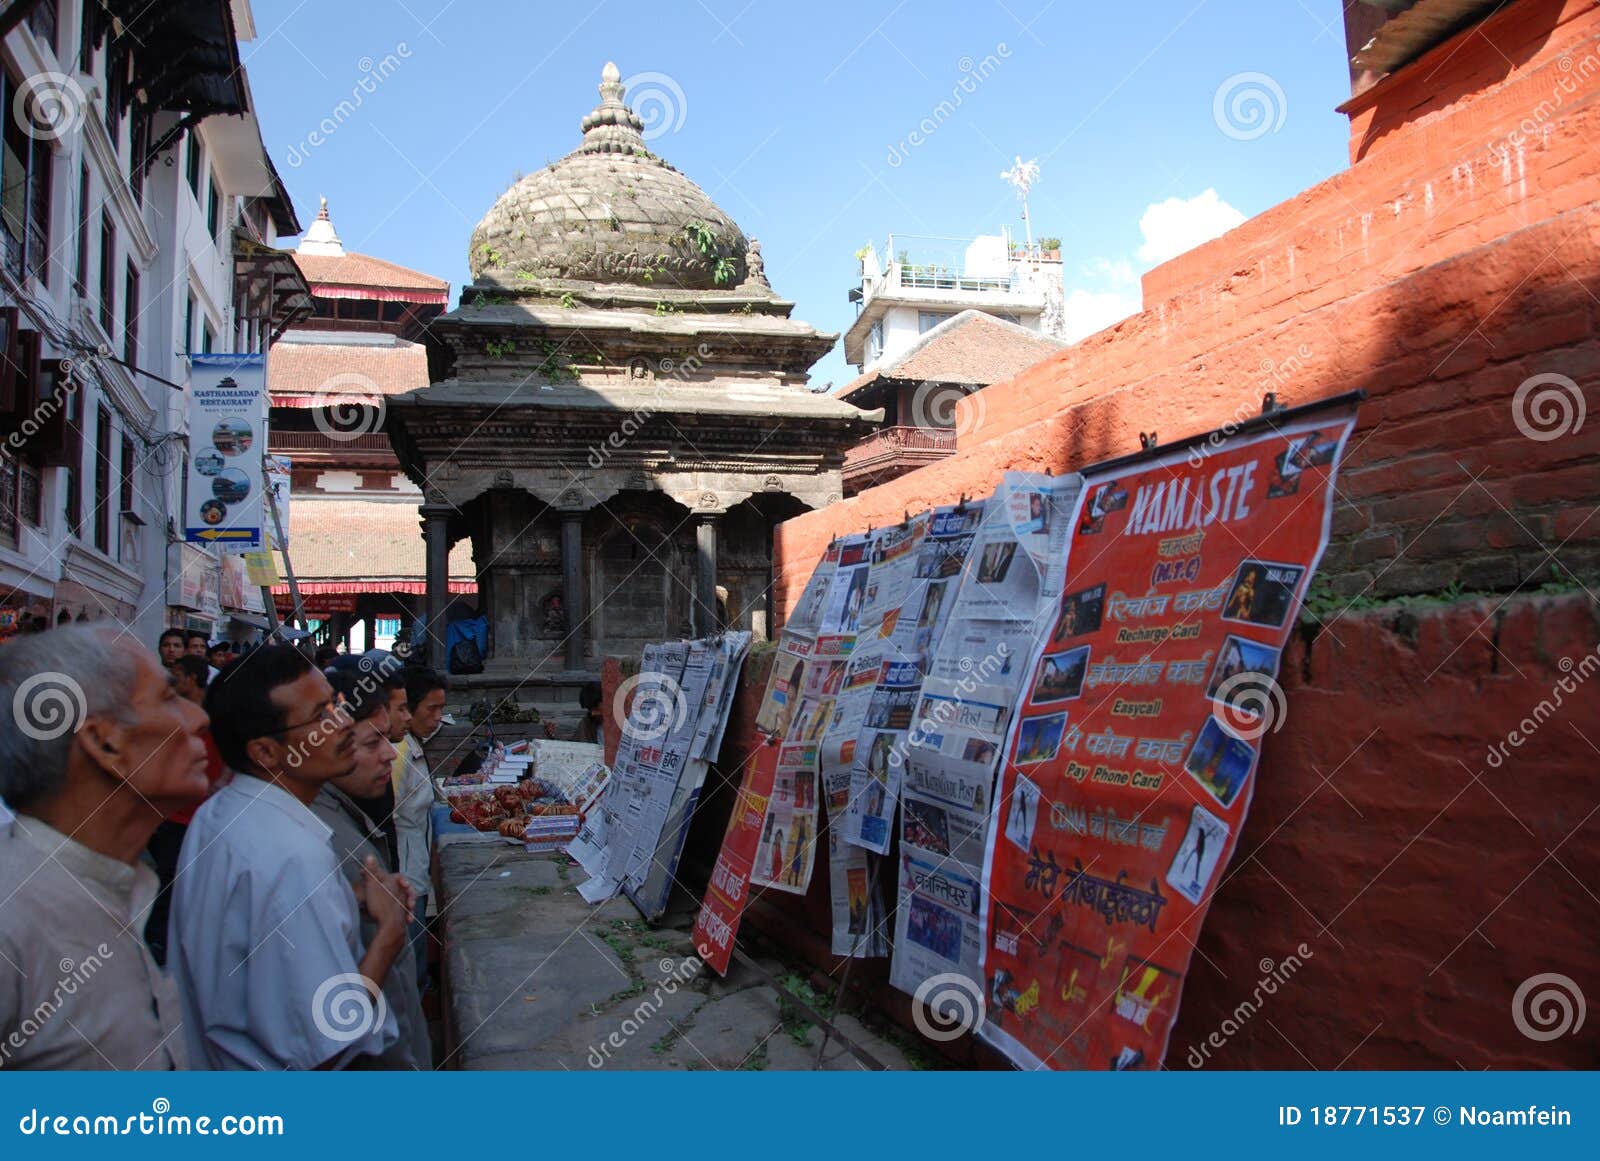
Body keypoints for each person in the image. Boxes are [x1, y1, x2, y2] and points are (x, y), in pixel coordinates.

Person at [170, 646, 411, 1069]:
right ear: (265, 752)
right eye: (321, 717)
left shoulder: (222, 812)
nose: (342, 726)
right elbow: (331, 1038)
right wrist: (389, 932)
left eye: (336, 707)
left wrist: (342, 896)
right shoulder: (292, 858)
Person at [0, 625, 209, 1068]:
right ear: (103, 742)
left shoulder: (122, 885)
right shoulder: (13, 918)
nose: (198, 719)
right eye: (170, 699)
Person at [311, 671, 430, 1068]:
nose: (388, 753)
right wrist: (392, 933)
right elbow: (325, 1032)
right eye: (370, 741)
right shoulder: (328, 848)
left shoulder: (346, 824)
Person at [143, 654, 227, 966]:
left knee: (180, 886)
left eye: (176, 673)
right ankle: (160, 943)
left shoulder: (211, 718)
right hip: (174, 818)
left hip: (194, 818)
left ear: (192, 678)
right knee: (170, 885)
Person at [396, 667, 447, 989]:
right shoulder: (396, 755)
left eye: (442, 709)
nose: (438, 718)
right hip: (404, 880)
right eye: (432, 709)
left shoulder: (411, 747)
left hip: (415, 872)